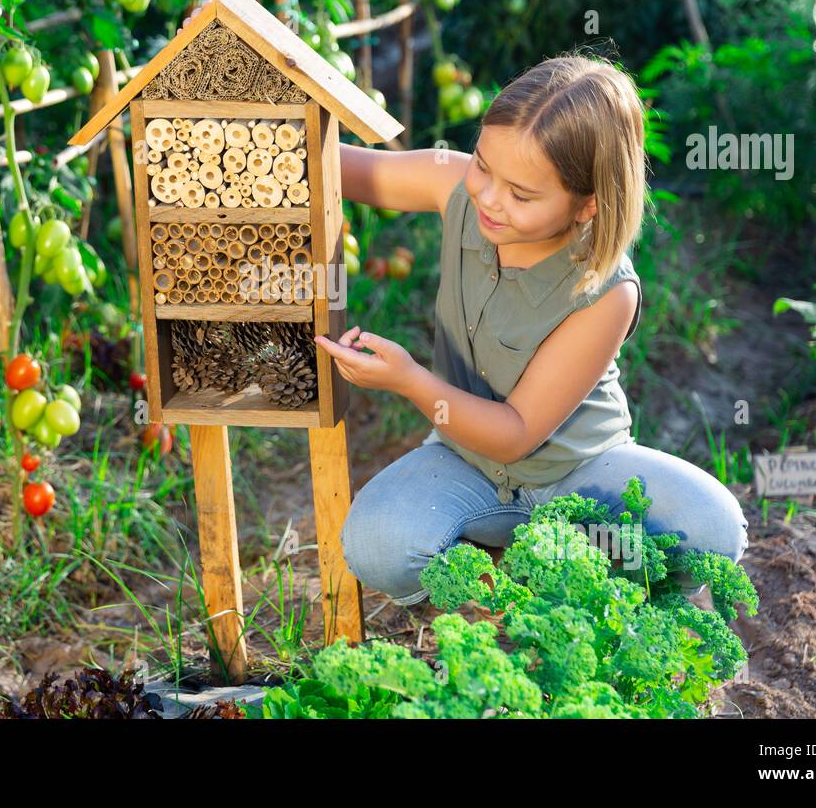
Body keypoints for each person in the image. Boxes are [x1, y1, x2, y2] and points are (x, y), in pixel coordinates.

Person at [315, 54, 749, 605]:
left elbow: (517, 432)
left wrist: (408, 380)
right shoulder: (458, 189)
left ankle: (564, 565)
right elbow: (335, 165)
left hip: (579, 475)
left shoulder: (606, 291)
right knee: (376, 545)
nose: (490, 198)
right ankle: (520, 572)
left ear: (587, 204)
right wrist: (251, 114)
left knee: (712, 527)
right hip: (464, 462)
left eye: (522, 194)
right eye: (482, 166)